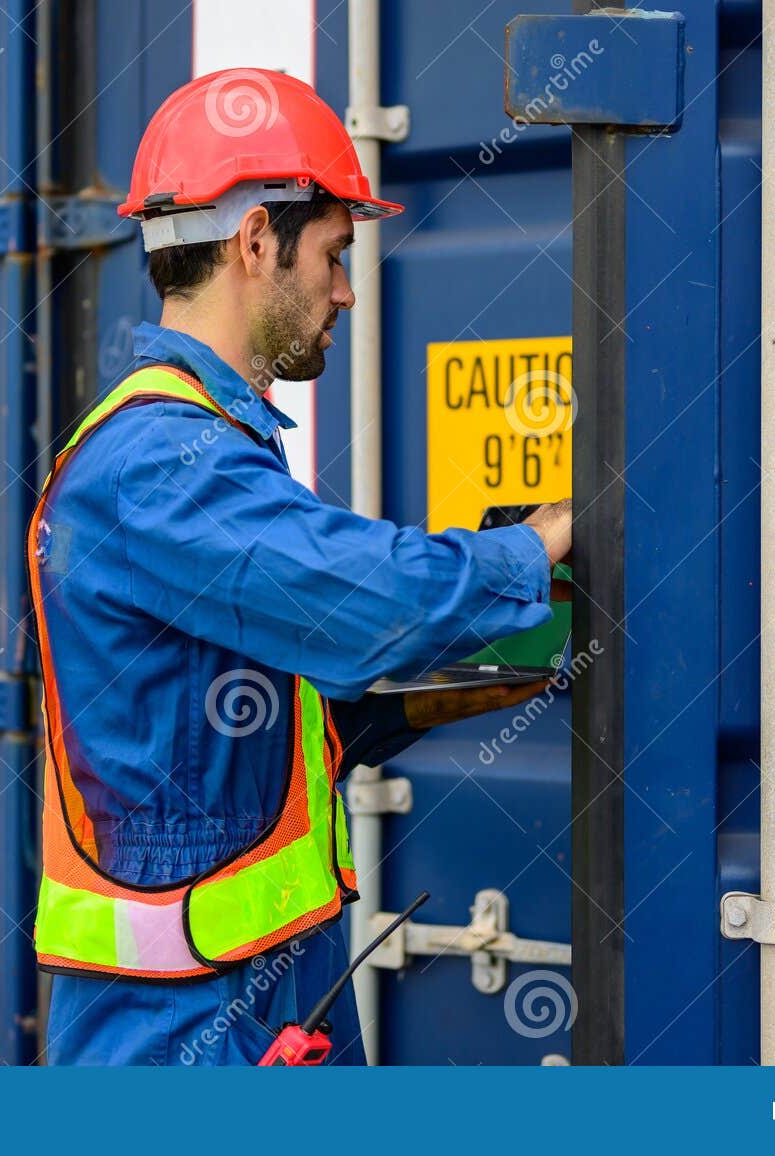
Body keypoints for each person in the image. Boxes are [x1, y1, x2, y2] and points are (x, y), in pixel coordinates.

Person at [29, 68, 574, 1066]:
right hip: (184, 1039)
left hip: (245, 1009)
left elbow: (219, 734)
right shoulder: (160, 465)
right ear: (253, 242)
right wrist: (534, 545)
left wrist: (450, 694)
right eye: (333, 253)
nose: (346, 291)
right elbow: (362, 600)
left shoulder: (201, 451)